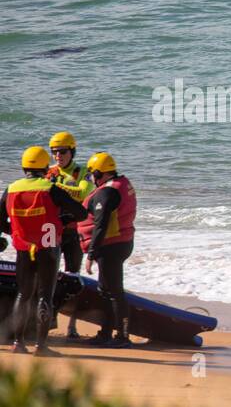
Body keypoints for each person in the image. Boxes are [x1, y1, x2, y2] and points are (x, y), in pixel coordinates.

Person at [0, 147, 88, 354]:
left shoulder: (11, 188)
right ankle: (41, 345)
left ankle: (18, 344)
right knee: (44, 296)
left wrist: (13, 231)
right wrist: (63, 220)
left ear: (24, 168)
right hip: (48, 246)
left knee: (23, 294)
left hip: (23, 247)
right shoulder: (51, 188)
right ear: (45, 167)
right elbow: (81, 213)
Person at [77, 152, 137, 348]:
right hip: (121, 243)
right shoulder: (120, 183)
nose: (92, 179)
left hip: (111, 246)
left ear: (98, 174)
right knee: (106, 289)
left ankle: (123, 336)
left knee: (114, 292)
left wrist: (91, 254)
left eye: (92, 175)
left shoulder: (107, 192)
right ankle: (106, 334)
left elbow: (101, 225)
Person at [45, 131, 93, 339]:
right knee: (49, 277)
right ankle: (47, 321)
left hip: (74, 232)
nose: (58, 156)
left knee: (74, 278)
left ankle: (72, 326)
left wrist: (57, 188)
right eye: (54, 152)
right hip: (54, 230)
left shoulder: (83, 172)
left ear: (72, 151)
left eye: (62, 151)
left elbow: (83, 193)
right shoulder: (49, 172)